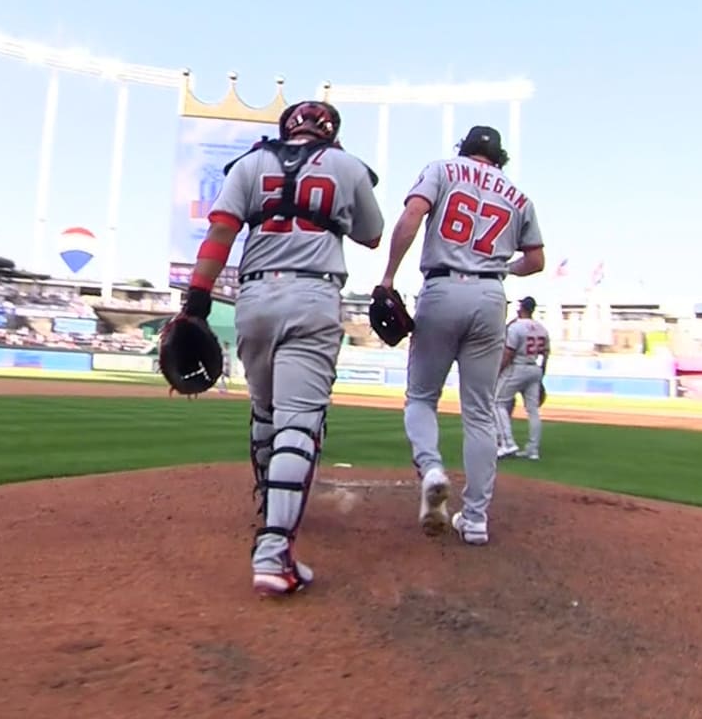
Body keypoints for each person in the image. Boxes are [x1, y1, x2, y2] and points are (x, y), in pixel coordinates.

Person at [178, 100, 383, 596]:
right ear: (331, 130)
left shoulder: (249, 162)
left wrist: (196, 302)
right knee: (299, 422)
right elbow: (373, 235)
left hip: (253, 297)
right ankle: (274, 550)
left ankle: (269, 504)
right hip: (312, 295)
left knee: (266, 414)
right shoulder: (348, 164)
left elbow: (221, 231)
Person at [377, 125, 544, 546]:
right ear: (499, 156)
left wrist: (389, 275)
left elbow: (413, 215)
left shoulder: (442, 169)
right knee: (480, 412)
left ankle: (432, 467)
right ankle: (475, 520)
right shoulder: (517, 195)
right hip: (491, 296)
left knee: (420, 397)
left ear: (463, 149)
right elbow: (536, 260)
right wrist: (504, 269)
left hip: (442, 287)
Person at [495, 296, 550, 460]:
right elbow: (546, 354)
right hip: (535, 368)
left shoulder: (516, 327)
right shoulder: (542, 328)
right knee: (533, 410)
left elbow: (509, 352)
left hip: (517, 367)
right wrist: (541, 376)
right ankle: (533, 450)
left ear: (521, 308)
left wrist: (498, 371)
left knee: (496, 402)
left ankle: (507, 443)